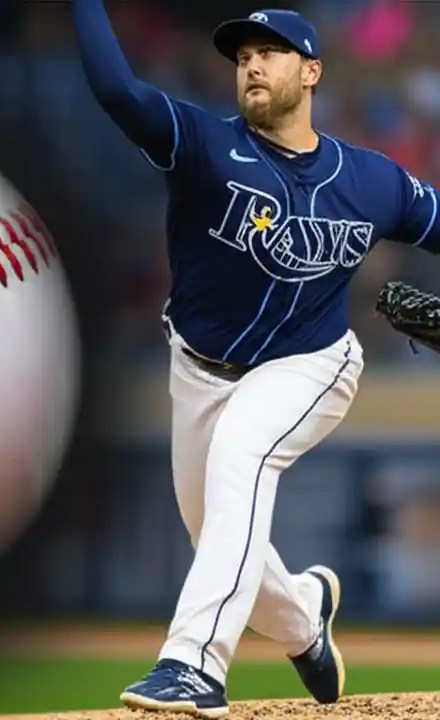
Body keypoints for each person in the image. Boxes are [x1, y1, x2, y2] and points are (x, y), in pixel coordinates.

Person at [72, 2, 440, 717]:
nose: (251, 64)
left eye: (268, 52)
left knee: (243, 452)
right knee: (217, 533)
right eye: (242, 56)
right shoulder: (203, 144)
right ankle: (305, 617)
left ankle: (192, 665)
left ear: (311, 71)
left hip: (312, 364)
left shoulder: (370, 180)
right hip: (198, 369)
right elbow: (119, 91)